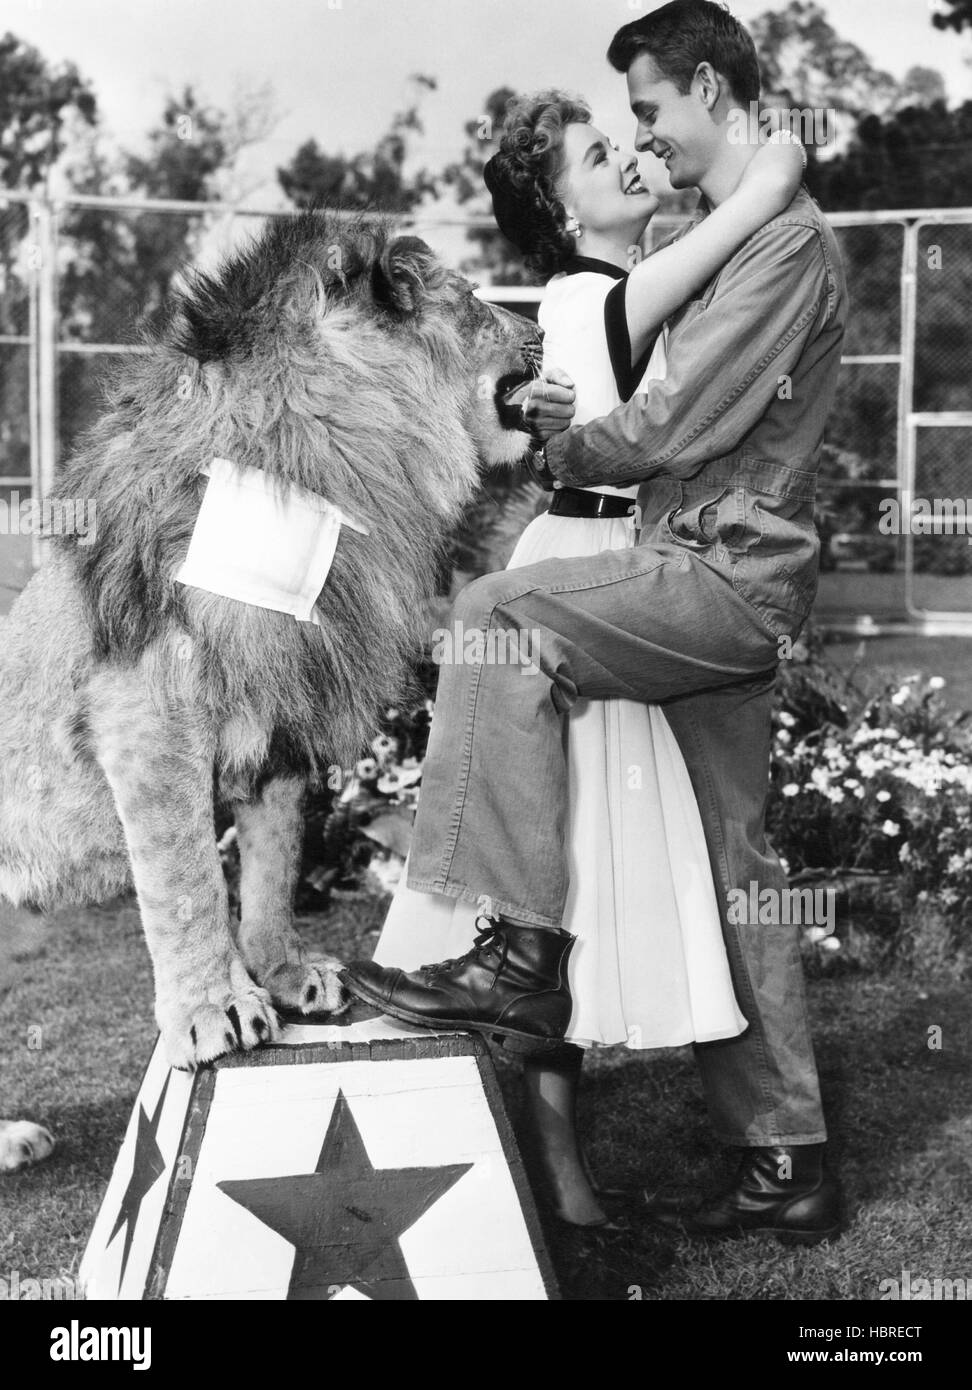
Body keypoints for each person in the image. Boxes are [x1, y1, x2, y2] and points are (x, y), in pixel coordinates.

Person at [345, 0, 847, 1245]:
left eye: (650, 110)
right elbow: (595, 331)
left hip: (720, 576)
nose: (645, 138)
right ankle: (785, 1162)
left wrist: (547, 439)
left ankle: (518, 958)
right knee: (736, 867)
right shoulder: (726, 234)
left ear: (713, 96)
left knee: (498, 616)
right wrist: (523, 393)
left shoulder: (778, 247)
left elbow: (673, 425)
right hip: (690, 566)